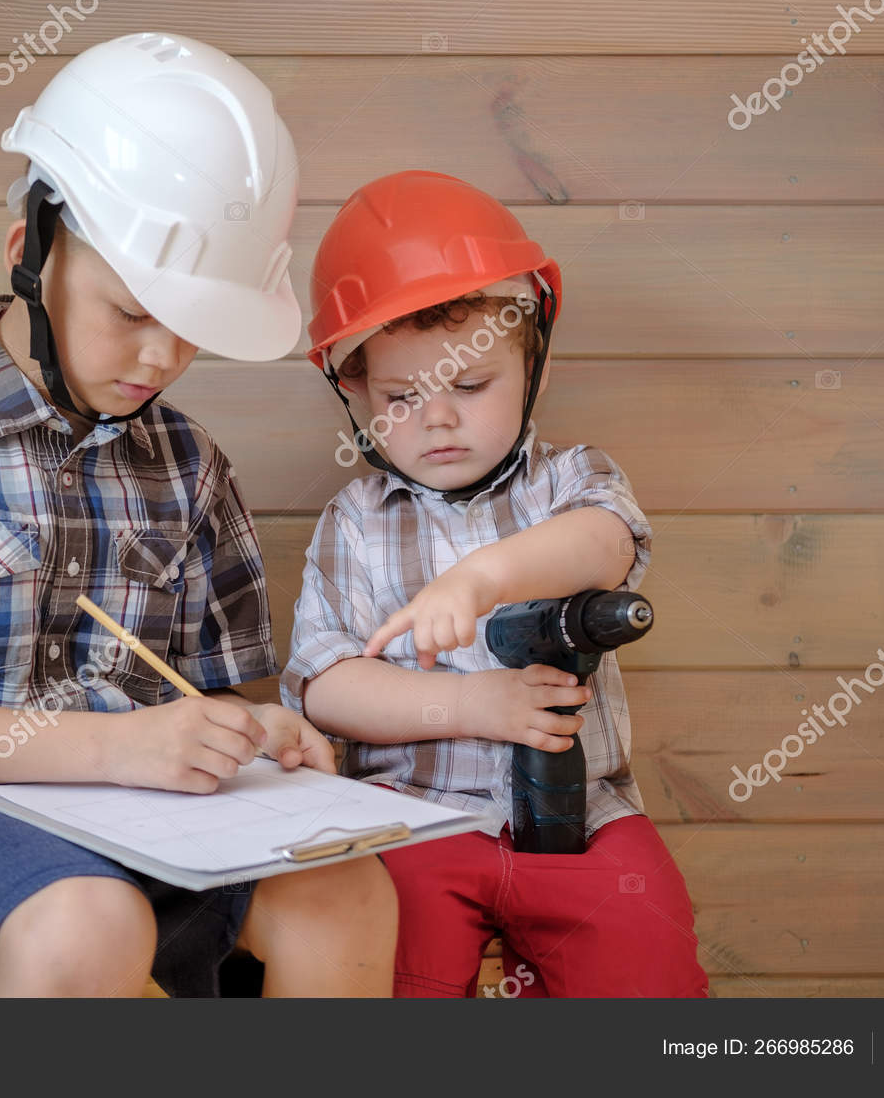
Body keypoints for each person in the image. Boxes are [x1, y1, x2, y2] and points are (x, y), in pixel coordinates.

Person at [0, 32, 397, 998]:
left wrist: (256, 730)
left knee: (349, 891)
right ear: (31, 254)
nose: (160, 356)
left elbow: (220, 696)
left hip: (153, 812)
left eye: (191, 329)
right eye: (131, 310)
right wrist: (116, 747)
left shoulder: (188, 465)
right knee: (88, 922)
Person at [281, 169, 709, 998]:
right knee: (387, 959)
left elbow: (608, 541)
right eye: (401, 396)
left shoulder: (567, 482)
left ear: (533, 370)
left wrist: (482, 578)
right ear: (357, 395)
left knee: (646, 950)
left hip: (584, 820)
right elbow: (325, 685)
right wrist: (471, 705)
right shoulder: (356, 521)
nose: (437, 417)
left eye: (470, 385)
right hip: (413, 821)